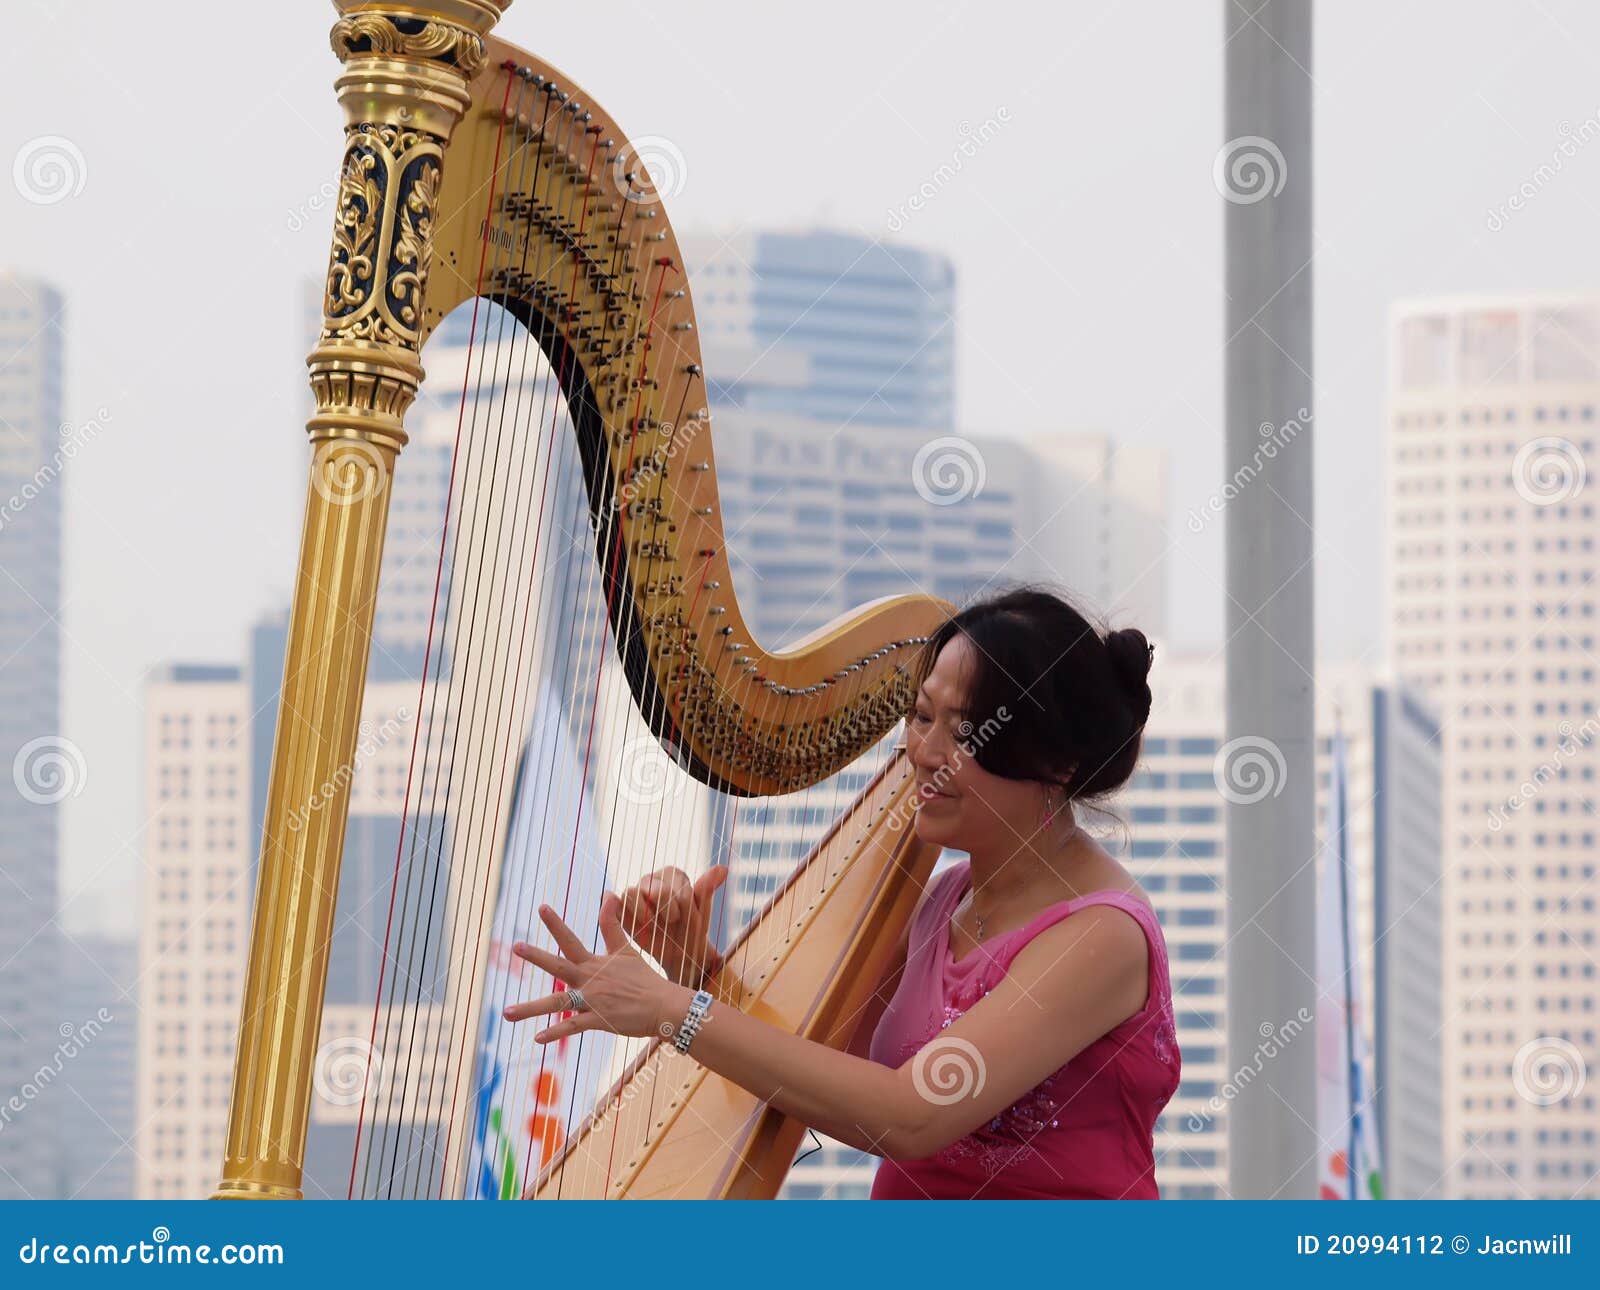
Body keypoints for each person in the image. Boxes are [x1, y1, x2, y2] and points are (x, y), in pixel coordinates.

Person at [504, 585, 1181, 1199]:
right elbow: (820, 1056)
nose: (922, 751)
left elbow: (908, 1116)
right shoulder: (948, 898)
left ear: (1058, 764)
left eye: (966, 732)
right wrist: (693, 969)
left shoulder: (1101, 939)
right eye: (921, 716)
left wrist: (671, 1010)